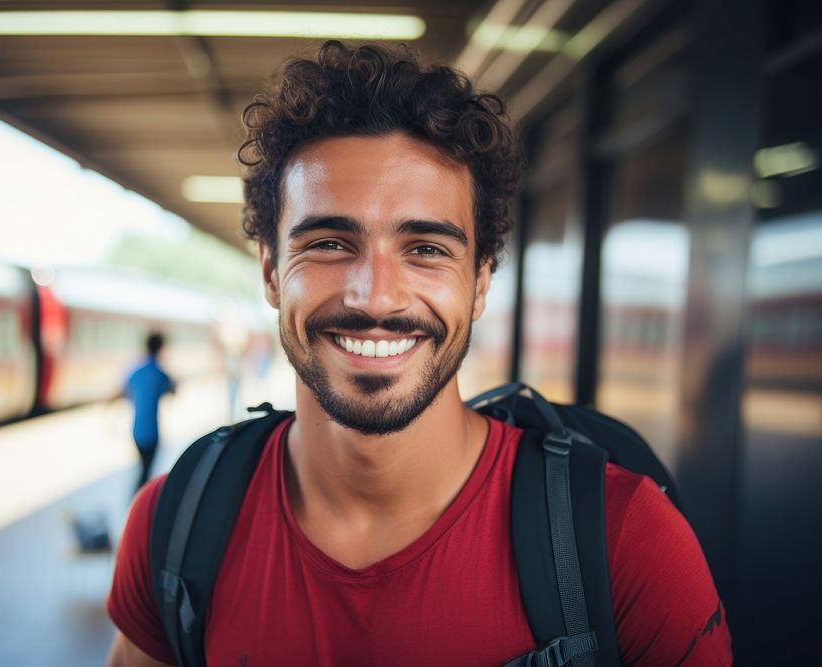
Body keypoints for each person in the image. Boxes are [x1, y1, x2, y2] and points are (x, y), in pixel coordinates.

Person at [106, 41, 732, 666]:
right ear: (271, 272)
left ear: (481, 280)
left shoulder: (629, 539)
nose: (375, 295)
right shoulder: (172, 526)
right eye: (327, 242)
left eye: (427, 249)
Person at [124, 331, 175, 493]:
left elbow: (126, 392)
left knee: (142, 469)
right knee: (146, 472)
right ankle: (138, 503)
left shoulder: (136, 372)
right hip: (152, 432)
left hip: (136, 431)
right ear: (161, 348)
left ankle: (136, 501)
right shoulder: (160, 374)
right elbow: (173, 390)